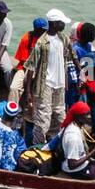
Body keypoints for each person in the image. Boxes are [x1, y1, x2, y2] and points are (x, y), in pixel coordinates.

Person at [24, 9, 71, 142]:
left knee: (60, 116)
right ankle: (37, 146)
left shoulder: (64, 38)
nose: (63, 25)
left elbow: (72, 57)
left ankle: (54, 142)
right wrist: (28, 92)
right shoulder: (41, 43)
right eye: (61, 22)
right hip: (45, 84)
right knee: (43, 119)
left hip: (60, 84)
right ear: (54, 23)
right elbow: (30, 68)